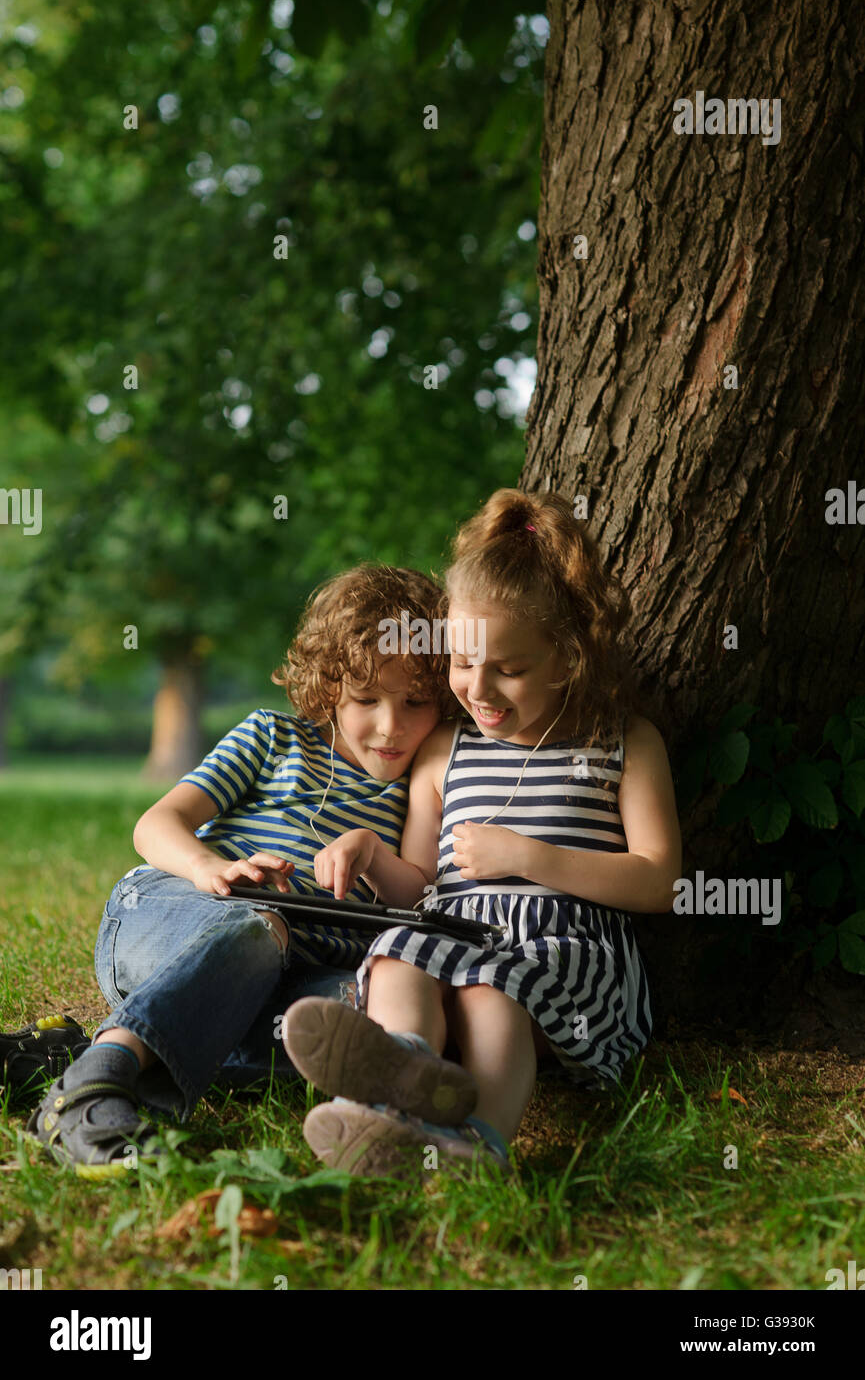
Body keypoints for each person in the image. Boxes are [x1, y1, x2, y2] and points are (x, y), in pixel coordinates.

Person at [282, 488, 682, 1177]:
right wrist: (372, 853)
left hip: (562, 948)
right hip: (454, 929)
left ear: (567, 657)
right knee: (400, 951)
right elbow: (419, 887)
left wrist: (529, 857)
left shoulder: (623, 742)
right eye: (463, 664)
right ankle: (400, 1075)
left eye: (509, 668)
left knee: (489, 987)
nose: (479, 687)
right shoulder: (446, 749)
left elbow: (659, 879)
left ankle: (480, 1141)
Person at [28, 563, 467, 1177]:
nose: (391, 726)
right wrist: (213, 868)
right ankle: (88, 1090)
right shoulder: (271, 739)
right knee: (261, 924)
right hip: (172, 913)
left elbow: (418, 887)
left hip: (275, 978)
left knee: (367, 1033)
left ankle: (79, 1053)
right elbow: (155, 826)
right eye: (367, 700)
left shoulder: (418, 784)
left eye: (415, 702)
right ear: (329, 685)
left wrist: (370, 850)